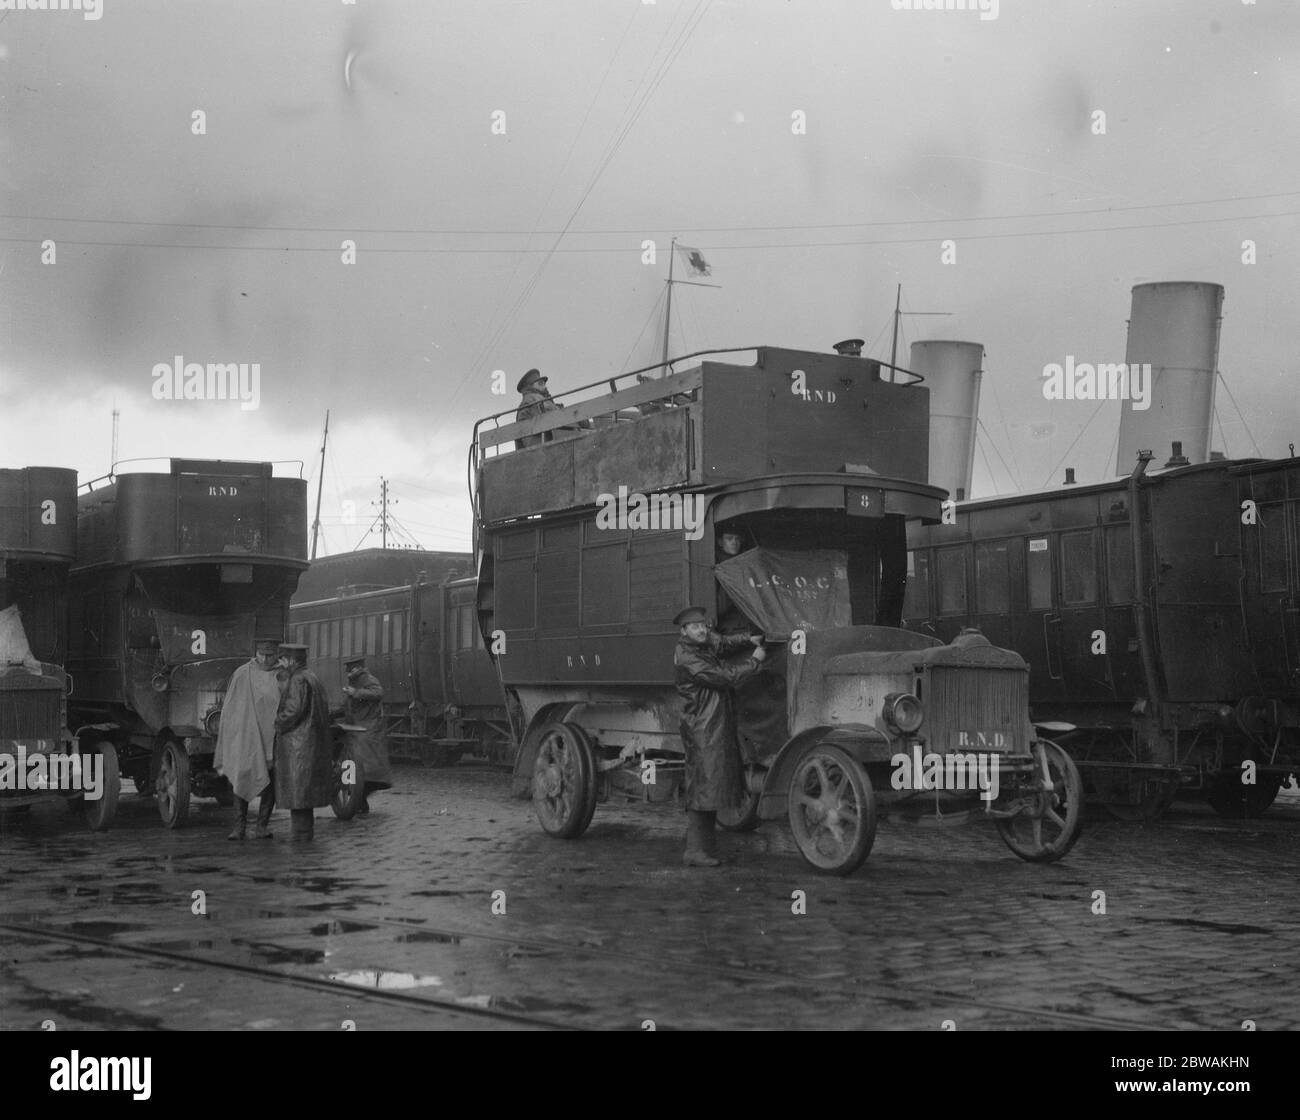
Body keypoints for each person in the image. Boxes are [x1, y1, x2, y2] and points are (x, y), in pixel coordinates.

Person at [672, 606, 765, 867]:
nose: (702, 630)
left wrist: (749, 639)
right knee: (703, 788)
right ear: (684, 632)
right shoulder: (688, 657)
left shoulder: (700, 643)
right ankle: (695, 851)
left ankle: (703, 850)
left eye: (703, 625)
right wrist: (754, 660)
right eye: (695, 627)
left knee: (709, 787)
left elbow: (721, 643)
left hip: (712, 725)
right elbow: (724, 676)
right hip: (703, 729)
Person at [214, 636, 283, 840]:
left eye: (271, 655)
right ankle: (239, 826)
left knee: (271, 781)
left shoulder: (282, 674)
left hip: (273, 736)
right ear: (256, 653)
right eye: (263, 655)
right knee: (242, 776)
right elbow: (230, 707)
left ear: (277, 655)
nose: (266, 659)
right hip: (247, 736)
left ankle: (262, 825)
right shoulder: (243, 674)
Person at [272, 643, 334, 841]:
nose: (280, 664)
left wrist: (277, 723)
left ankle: (301, 843)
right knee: (303, 800)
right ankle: (304, 839)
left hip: (298, 748)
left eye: (282, 659)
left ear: (291, 660)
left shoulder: (297, 679)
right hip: (310, 746)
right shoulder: (311, 677)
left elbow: (293, 711)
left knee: (299, 799)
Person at [336, 654, 391, 814]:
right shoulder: (356, 681)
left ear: (358, 668)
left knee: (364, 767)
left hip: (368, 729)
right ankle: (356, 800)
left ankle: (357, 800)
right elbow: (348, 705)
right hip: (357, 729)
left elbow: (378, 693)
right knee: (357, 765)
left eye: (351, 670)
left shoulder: (367, 679)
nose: (348, 674)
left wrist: (356, 692)